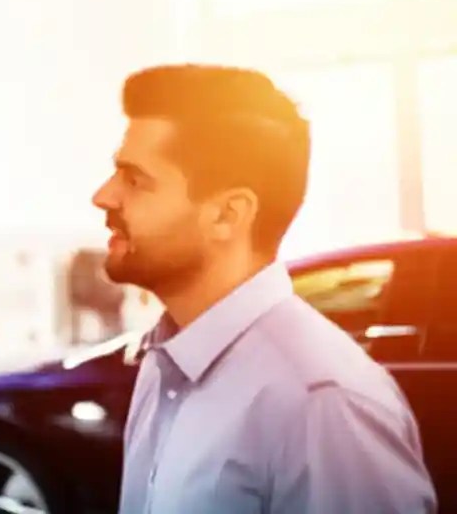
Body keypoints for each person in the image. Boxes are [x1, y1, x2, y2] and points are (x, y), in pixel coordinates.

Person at [93, 64, 437, 514]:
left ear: (227, 216)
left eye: (135, 179)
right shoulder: (165, 364)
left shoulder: (323, 401)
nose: (104, 195)